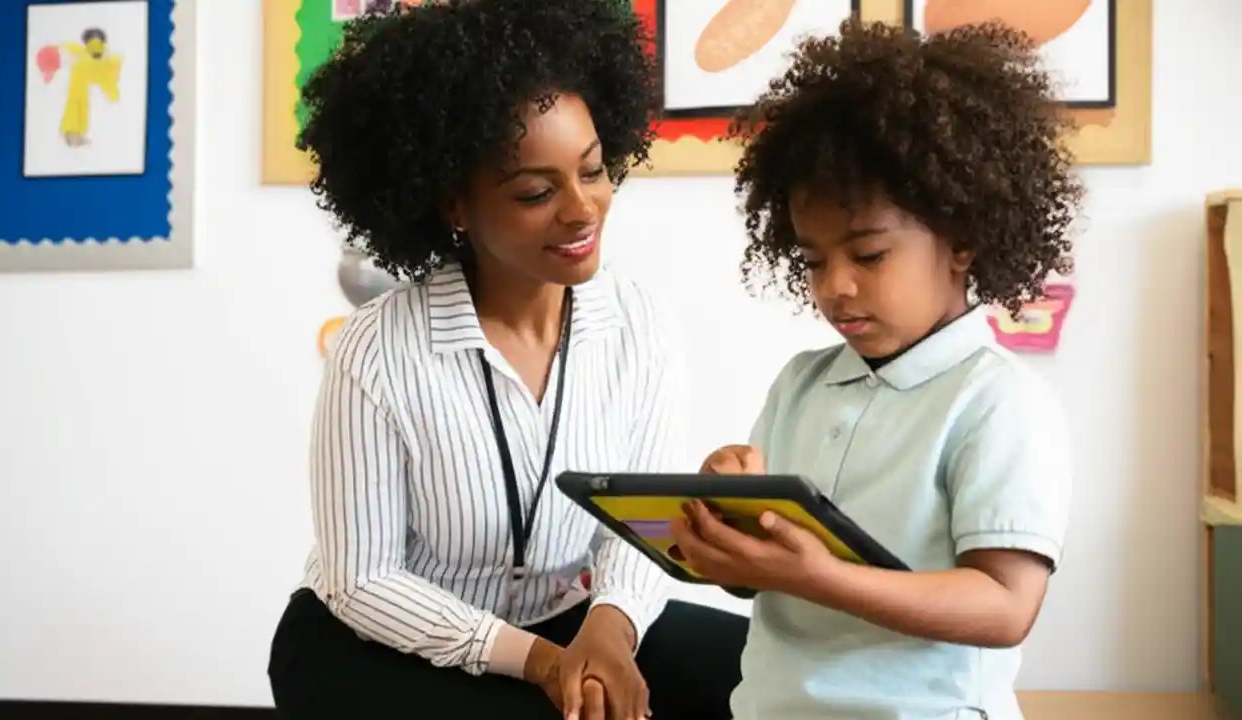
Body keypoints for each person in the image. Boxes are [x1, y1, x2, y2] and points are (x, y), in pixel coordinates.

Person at [267, 1, 748, 718]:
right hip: (376, 641)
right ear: (454, 203)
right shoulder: (380, 350)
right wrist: (547, 664)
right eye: (536, 192)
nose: (582, 210)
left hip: (572, 620)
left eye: (593, 170)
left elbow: (637, 529)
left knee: (772, 670)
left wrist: (609, 636)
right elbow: (362, 580)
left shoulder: (639, 324)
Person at [669, 19, 1083, 720]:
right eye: (812, 259)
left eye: (868, 255)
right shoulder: (800, 383)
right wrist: (724, 529)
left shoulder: (998, 403)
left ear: (961, 240)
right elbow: (757, 583)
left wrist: (822, 578)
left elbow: (1006, 605)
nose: (835, 286)